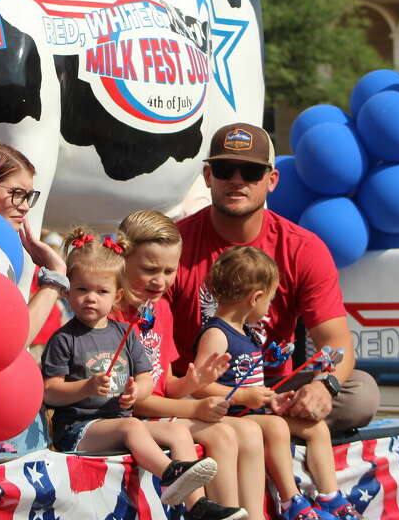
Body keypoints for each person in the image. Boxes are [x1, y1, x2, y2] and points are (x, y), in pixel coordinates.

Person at [166, 122, 380, 432]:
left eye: (251, 173)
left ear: (272, 180)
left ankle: (247, 427)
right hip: (193, 392)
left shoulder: (302, 248)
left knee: (360, 393)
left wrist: (324, 386)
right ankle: (265, 429)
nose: (237, 181)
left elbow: (336, 342)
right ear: (208, 175)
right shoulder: (173, 245)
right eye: (226, 169)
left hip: (271, 391)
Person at [40, 228, 244, 520]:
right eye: (82, 289)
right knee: (132, 427)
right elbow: (50, 392)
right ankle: (171, 477)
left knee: (176, 430)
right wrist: (86, 387)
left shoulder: (125, 333)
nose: (90, 298)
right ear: (67, 291)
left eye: (101, 291)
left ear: (117, 295)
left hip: (119, 422)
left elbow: (147, 378)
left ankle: (196, 506)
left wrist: (138, 392)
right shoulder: (65, 339)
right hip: (79, 430)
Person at [114, 210, 266, 520]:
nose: (161, 281)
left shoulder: (161, 310)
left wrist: (193, 383)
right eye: (150, 269)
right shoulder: (114, 315)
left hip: (163, 413)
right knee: (223, 435)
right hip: (131, 420)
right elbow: (136, 402)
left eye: (170, 271)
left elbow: (166, 384)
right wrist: (194, 408)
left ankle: (251, 515)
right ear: (123, 258)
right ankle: (220, 513)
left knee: (249, 431)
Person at [192, 247, 362, 520]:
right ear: (255, 298)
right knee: (276, 426)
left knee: (315, 428)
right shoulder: (216, 334)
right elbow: (199, 387)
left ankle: (330, 497)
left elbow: (252, 379)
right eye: (269, 301)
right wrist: (244, 398)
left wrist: (272, 398)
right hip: (230, 418)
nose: (269, 307)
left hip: (253, 411)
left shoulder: (246, 332)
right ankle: (290, 500)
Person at [0, 140, 67, 344]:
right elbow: (9, 343)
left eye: (29, 196)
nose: (26, 207)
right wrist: (55, 274)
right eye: (17, 194)